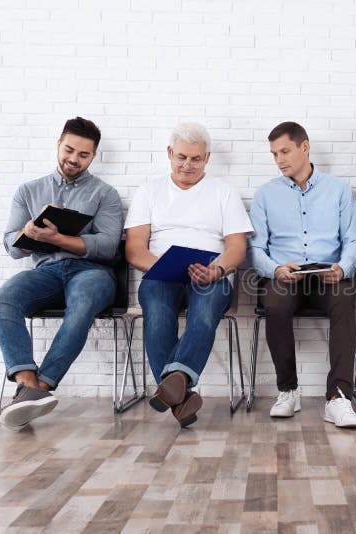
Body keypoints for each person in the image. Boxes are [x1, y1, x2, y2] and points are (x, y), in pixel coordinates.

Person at [0, 117, 122, 430]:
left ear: (94, 156)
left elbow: (107, 247)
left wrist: (58, 239)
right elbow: (11, 246)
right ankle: (27, 384)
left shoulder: (105, 194)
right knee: (4, 300)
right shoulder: (28, 190)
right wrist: (26, 235)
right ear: (58, 145)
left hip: (92, 272)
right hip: (46, 271)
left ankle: (41, 386)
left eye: (84, 154)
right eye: (69, 150)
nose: (74, 159)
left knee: (82, 304)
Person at [125, 123, 252, 428]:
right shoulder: (149, 190)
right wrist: (164, 267)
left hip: (211, 274)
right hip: (160, 273)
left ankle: (176, 384)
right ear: (170, 153)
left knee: (205, 313)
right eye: (181, 157)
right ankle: (181, 393)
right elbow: (135, 249)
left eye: (196, 159)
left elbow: (237, 248)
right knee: (157, 314)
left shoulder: (224, 192)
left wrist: (216, 270)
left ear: (207, 158)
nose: (188, 165)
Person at [249, 121, 356, 428]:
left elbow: (353, 239)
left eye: (285, 151)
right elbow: (255, 248)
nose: (279, 160)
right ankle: (288, 391)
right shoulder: (265, 195)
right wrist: (275, 269)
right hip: (284, 274)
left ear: (305, 147)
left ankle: (338, 397)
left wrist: (343, 268)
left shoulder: (338, 190)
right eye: (274, 154)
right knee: (275, 305)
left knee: (344, 301)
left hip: (328, 275)